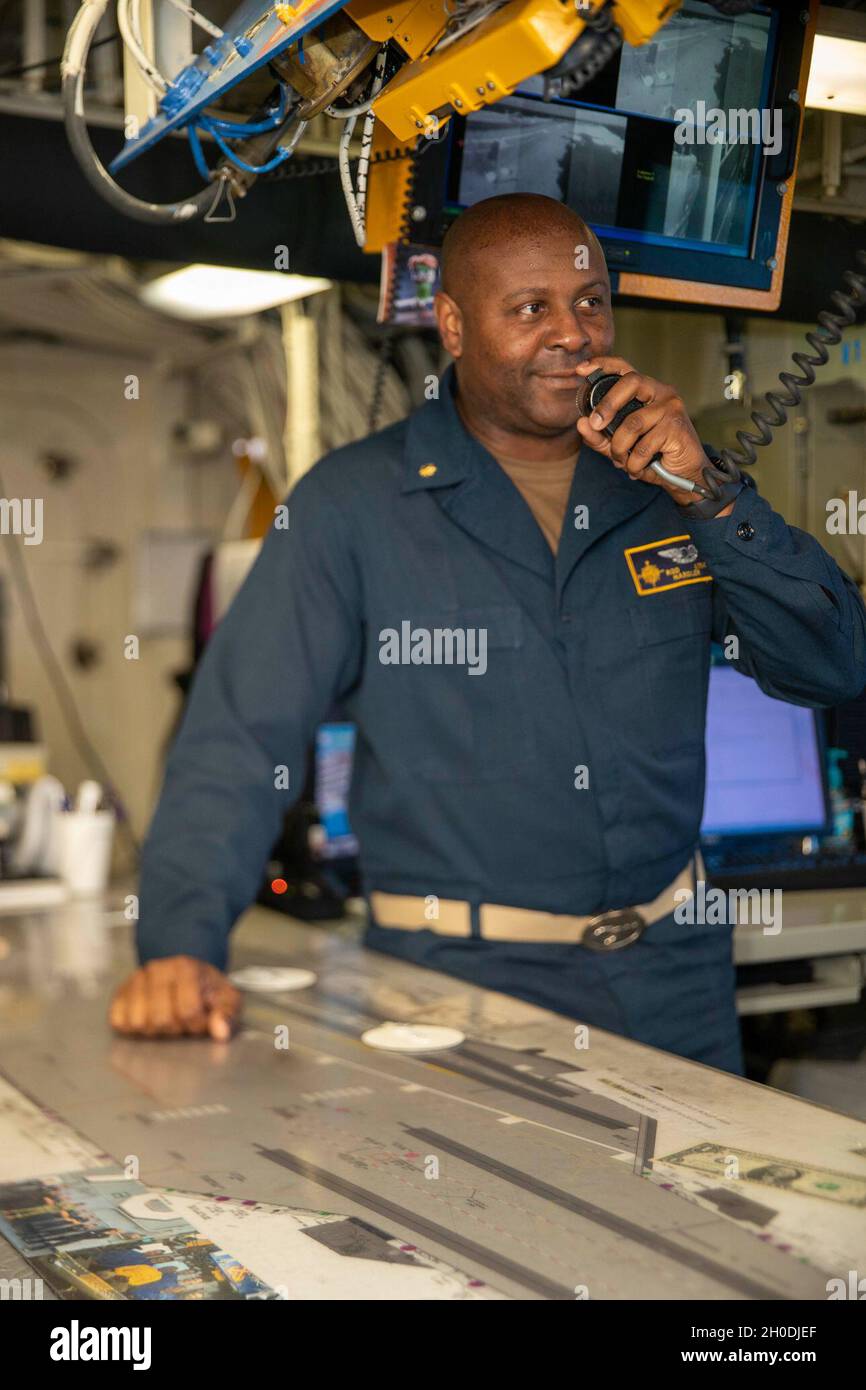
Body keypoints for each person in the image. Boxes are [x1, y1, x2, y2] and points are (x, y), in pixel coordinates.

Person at [110, 193, 866, 1073]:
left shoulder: (670, 492)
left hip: (676, 980)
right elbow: (238, 741)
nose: (573, 333)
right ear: (455, 327)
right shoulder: (352, 507)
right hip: (460, 990)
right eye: (530, 309)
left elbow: (831, 665)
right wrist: (178, 945)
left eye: (589, 300)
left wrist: (711, 495)